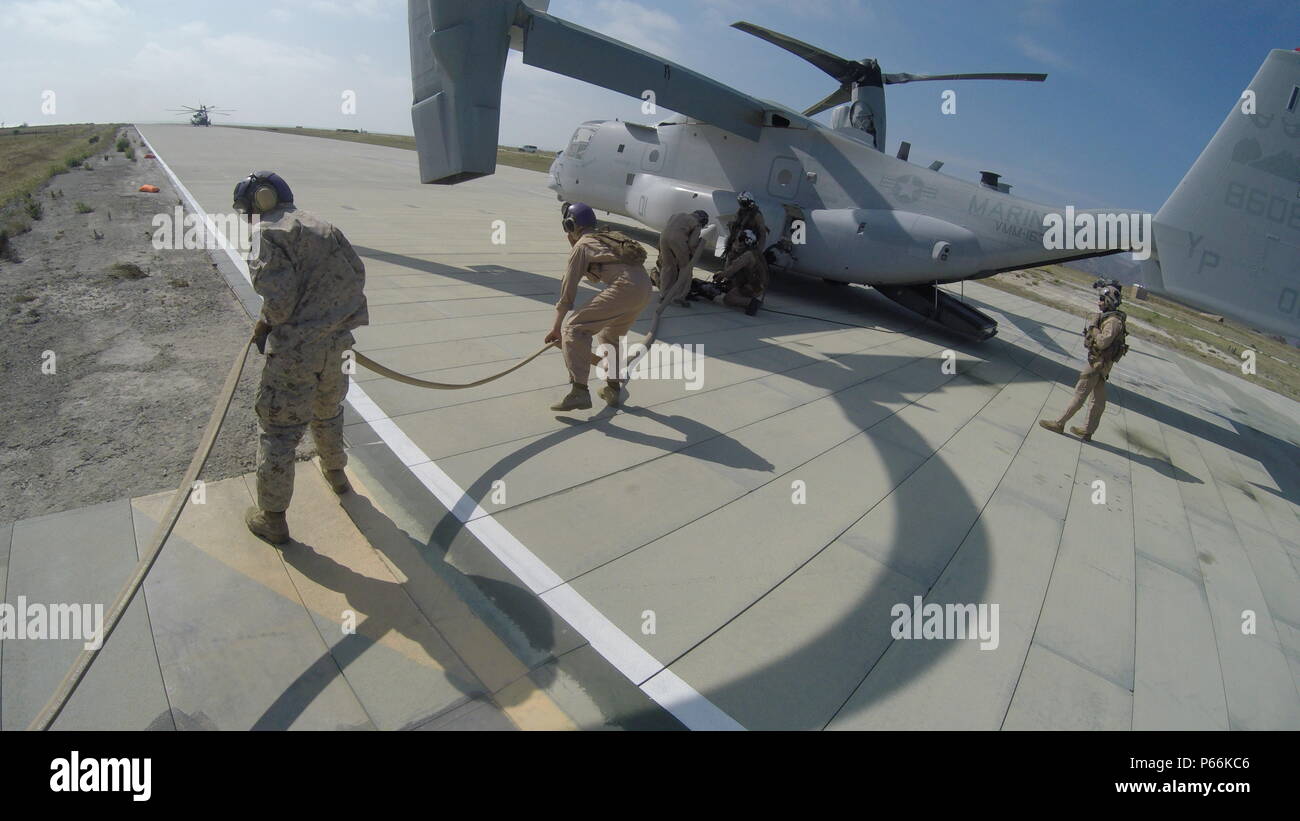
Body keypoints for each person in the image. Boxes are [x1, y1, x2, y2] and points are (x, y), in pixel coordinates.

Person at [235, 171, 368, 545]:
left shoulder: (269, 233)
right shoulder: (323, 225)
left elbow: (279, 301)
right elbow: (356, 275)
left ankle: (272, 518)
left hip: (296, 353)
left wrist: (269, 323)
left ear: (261, 199)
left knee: (279, 432)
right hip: (337, 344)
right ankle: (337, 474)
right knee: (328, 412)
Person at [545, 202, 652, 411]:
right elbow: (596, 276)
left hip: (625, 288)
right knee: (609, 337)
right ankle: (613, 389)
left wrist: (557, 327)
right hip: (644, 289)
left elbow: (568, 292)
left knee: (574, 329)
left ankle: (579, 391)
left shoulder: (583, 245)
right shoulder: (605, 238)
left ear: (570, 225)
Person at [1039, 284, 1128, 442]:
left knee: (1080, 394)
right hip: (1102, 365)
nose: (1099, 302)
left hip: (1097, 364)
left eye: (1102, 299)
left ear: (1109, 301)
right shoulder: (1112, 319)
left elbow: (1102, 343)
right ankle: (1087, 432)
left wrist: (1094, 327)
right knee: (1098, 400)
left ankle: (1059, 423)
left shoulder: (1112, 322)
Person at [655, 210, 709, 307]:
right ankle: (679, 297)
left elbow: (669, 230)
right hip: (678, 241)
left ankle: (663, 294)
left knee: (667, 267)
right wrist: (696, 249)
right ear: (702, 221)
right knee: (686, 268)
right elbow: (692, 244)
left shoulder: (676, 214)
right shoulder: (697, 224)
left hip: (663, 238)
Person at [716, 228, 768, 316]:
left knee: (728, 299)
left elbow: (730, 271)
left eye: (739, 240)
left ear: (746, 241)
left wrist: (721, 274)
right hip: (756, 285)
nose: (737, 242)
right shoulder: (755, 252)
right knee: (728, 285)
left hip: (754, 286)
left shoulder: (748, 255)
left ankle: (750, 302)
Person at [725, 191, 767, 264]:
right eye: (740, 202)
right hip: (738, 242)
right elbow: (736, 225)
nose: (741, 205)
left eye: (743, 202)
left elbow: (762, 233)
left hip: (748, 244)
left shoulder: (757, 215)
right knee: (730, 257)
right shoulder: (740, 212)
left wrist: (759, 251)